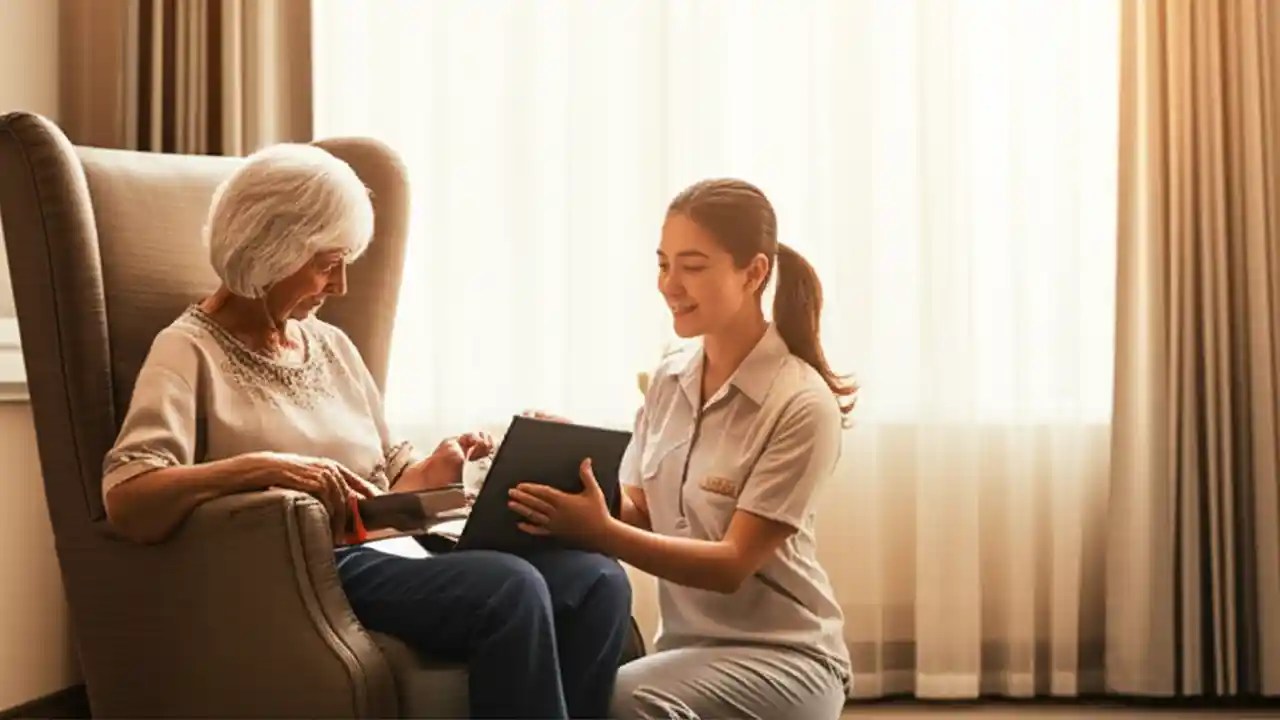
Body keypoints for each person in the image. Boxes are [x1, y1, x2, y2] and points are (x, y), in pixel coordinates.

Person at [101, 143, 632, 720]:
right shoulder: (187, 350)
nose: (341, 286)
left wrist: (440, 466)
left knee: (597, 579)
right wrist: (267, 466)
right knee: (510, 587)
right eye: (328, 263)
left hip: (391, 543)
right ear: (269, 249)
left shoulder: (330, 345)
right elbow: (129, 499)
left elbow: (386, 477)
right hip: (306, 570)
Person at [508, 178, 855, 719]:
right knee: (582, 682)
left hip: (787, 658)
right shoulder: (670, 379)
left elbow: (730, 565)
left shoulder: (802, 403)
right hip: (687, 648)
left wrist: (601, 532)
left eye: (692, 267)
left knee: (619, 701)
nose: (670, 284)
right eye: (663, 264)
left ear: (755, 271)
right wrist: (564, 460)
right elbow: (642, 510)